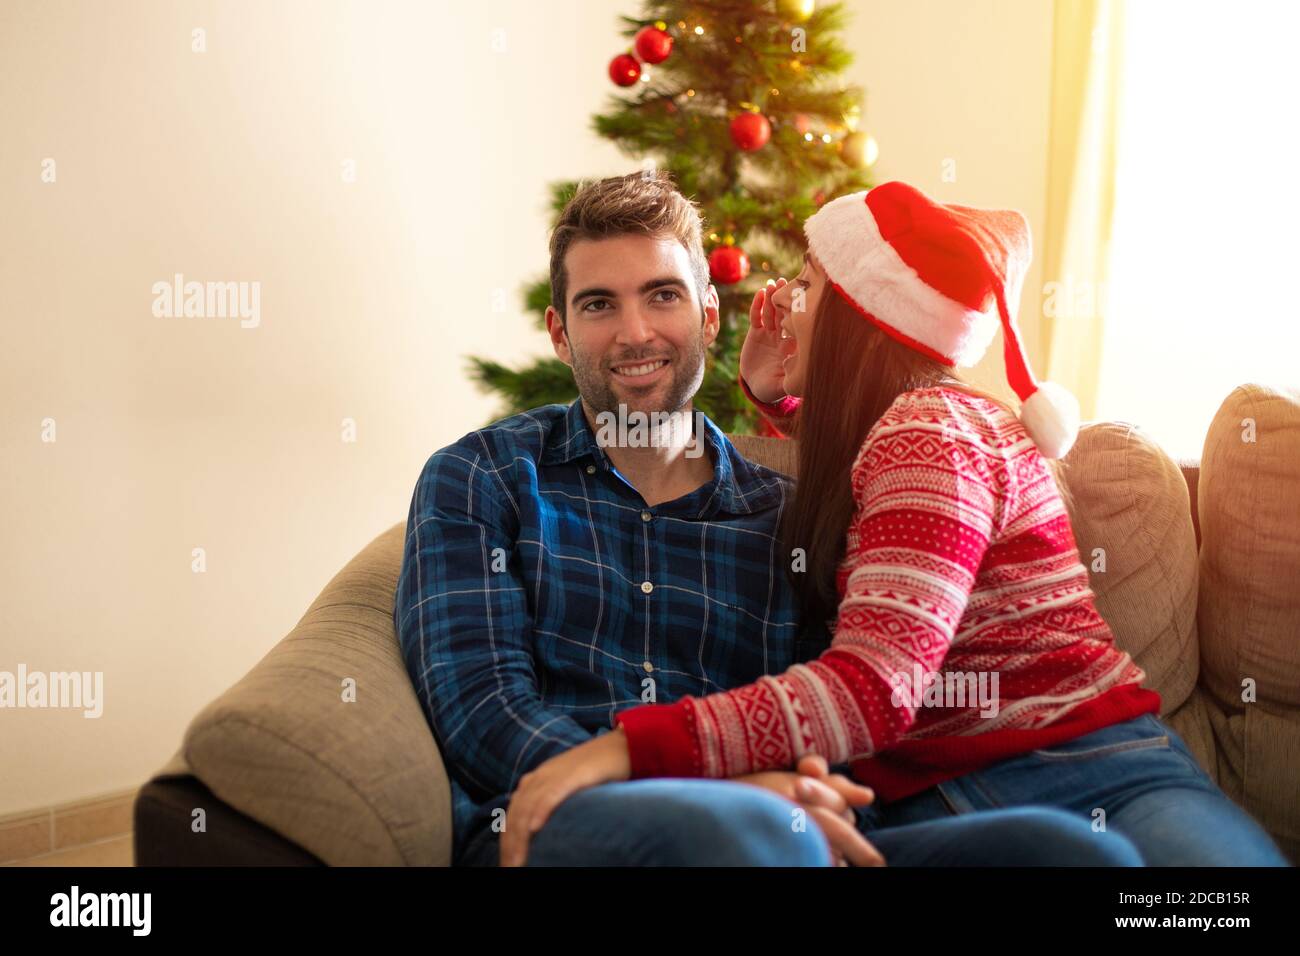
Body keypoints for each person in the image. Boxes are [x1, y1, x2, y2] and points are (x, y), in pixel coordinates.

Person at [499, 179, 1291, 868]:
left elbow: (873, 688)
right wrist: (775, 392)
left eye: (806, 285)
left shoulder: (929, 436)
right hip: (939, 795)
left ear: (855, 314)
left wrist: (625, 748)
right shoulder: (912, 426)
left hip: (1081, 773)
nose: (780, 301)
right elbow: (852, 495)